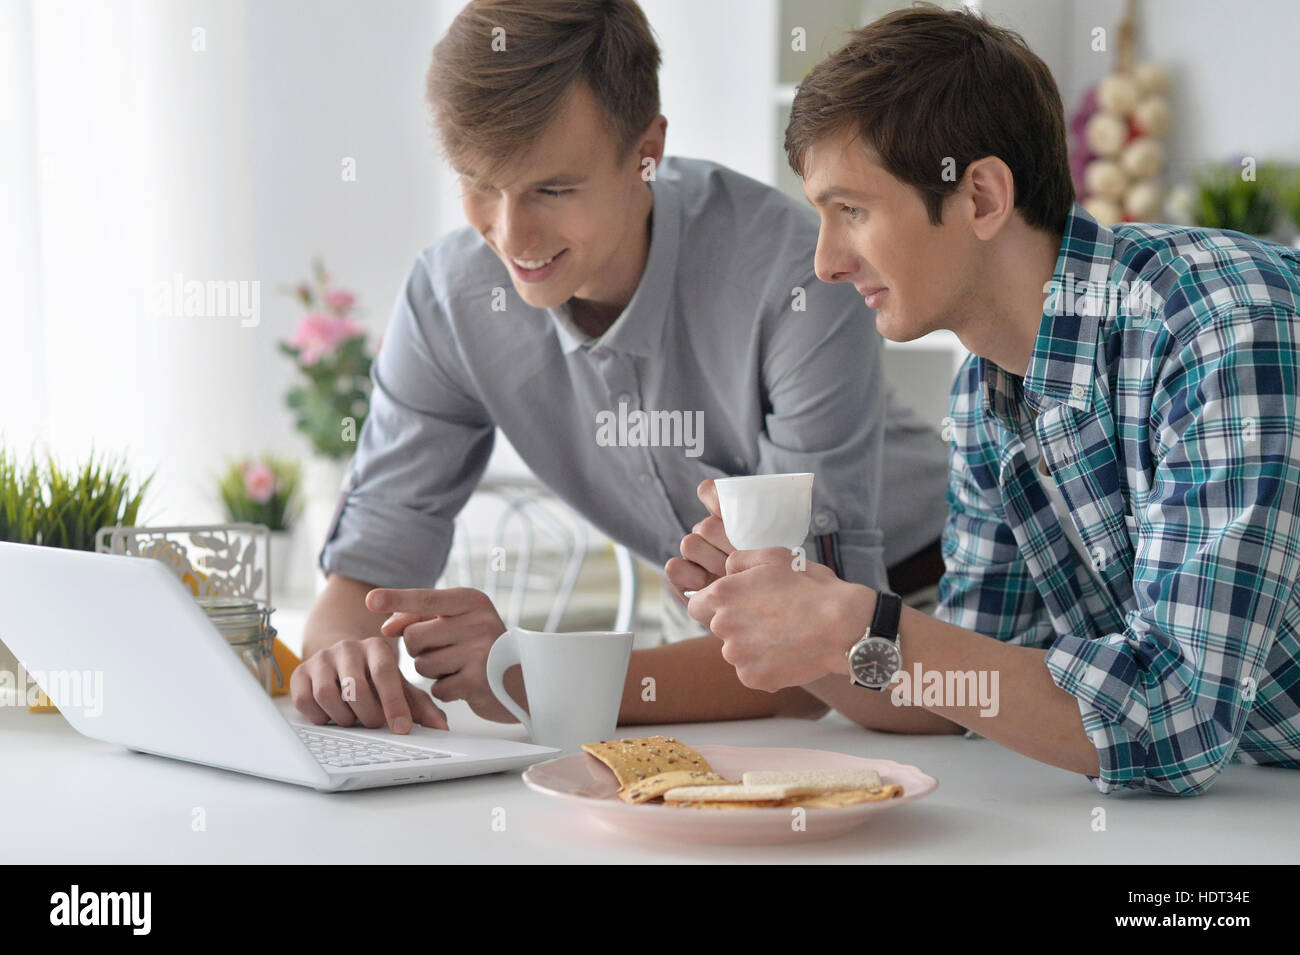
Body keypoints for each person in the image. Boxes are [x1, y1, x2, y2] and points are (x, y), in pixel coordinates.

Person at [678, 3, 1300, 795]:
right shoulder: (989, 383)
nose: (826, 262)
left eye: (853, 212)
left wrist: (860, 626)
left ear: (980, 197)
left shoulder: (1223, 329)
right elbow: (962, 688)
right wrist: (805, 623)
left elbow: (1173, 715)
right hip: (1259, 805)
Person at [290, 0, 950, 736]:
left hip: (930, 617)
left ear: (647, 150)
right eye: (480, 181)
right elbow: (361, 576)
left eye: (553, 188)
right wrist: (339, 660)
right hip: (720, 649)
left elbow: (805, 653)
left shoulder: (799, 276)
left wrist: (536, 673)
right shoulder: (452, 301)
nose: (512, 235)